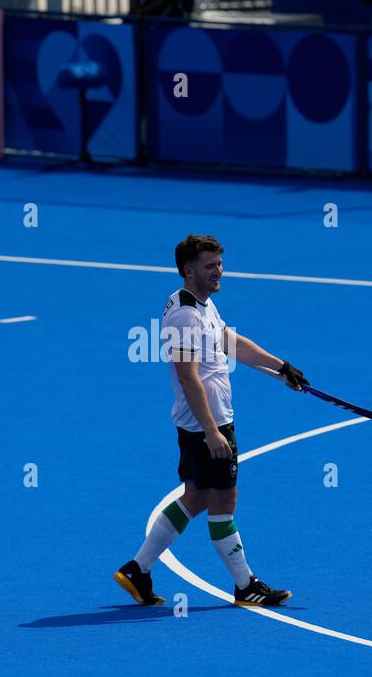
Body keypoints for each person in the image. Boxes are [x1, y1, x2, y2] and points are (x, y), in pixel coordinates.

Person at [115, 235, 307, 608]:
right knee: (224, 500)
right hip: (208, 424)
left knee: (197, 496)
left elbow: (230, 343)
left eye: (219, 263)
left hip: (205, 424)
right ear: (189, 270)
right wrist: (211, 431)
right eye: (210, 265)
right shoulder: (185, 314)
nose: (219, 270)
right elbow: (188, 376)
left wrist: (279, 366)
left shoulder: (200, 304)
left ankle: (138, 569)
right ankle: (244, 584)